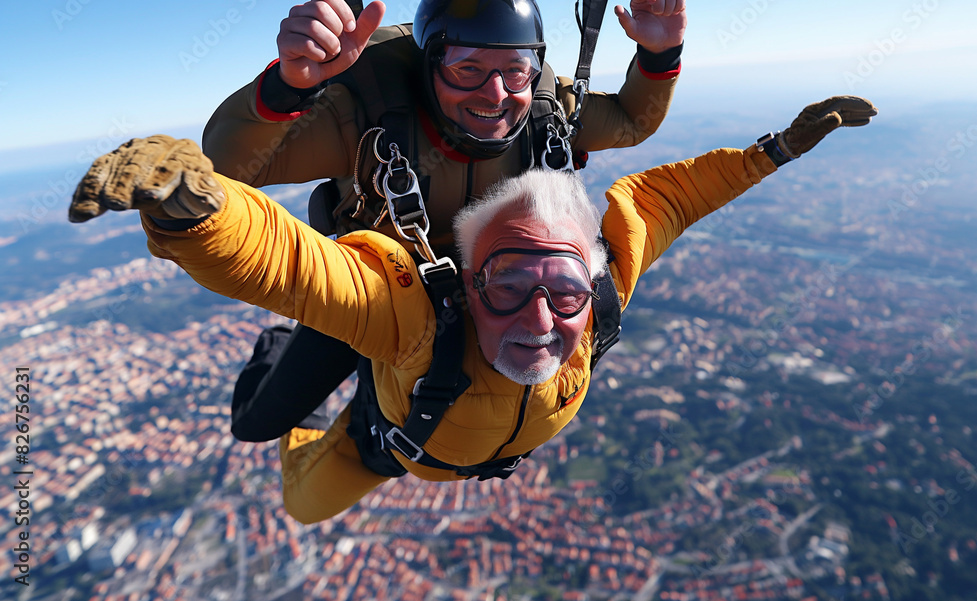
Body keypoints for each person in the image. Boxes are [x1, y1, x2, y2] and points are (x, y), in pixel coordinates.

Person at [69, 95, 877, 523]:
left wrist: (776, 148)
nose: (538, 317)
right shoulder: (420, 315)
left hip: (430, 429)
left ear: (593, 280)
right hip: (385, 438)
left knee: (306, 493)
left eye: (563, 291)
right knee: (293, 483)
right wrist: (198, 207)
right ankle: (287, 354)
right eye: (506, 286)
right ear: (463, 281)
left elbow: (669, 198)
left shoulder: (599, 293)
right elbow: (289, 262)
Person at [201, 0, 688, 441]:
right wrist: (286, 88)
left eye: (516, 71)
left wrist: (659, 56)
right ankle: (280, 346)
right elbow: (231, 164)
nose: (495, 93)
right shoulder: (367, 120)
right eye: (467, 69)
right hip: (374, 295)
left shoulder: (545, 112)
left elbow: (629, 120)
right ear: (429, 64)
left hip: (492, 298)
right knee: (258, 423)